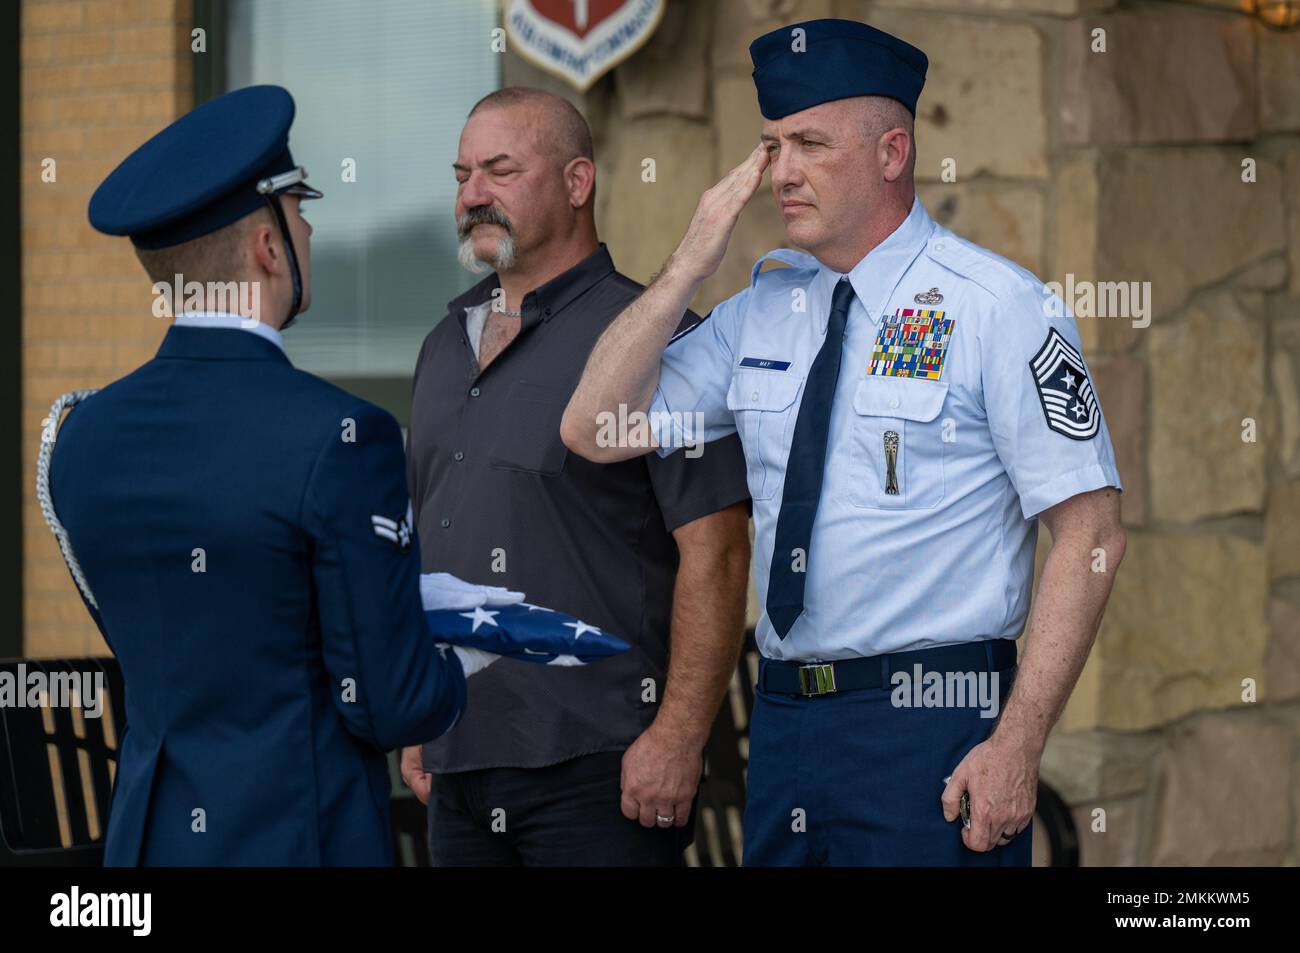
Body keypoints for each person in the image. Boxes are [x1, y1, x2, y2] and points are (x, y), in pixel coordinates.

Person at [561, 19, 1126, 866]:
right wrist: (686, 266)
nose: (780, 173)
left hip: (935, 726)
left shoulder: (997, 306)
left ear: (892, 152)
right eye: (771, 146)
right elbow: (594, 429)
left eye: (809, 145)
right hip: (787, 726)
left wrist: (1018, 744)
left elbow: (1092, 534)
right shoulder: (763, 309)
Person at [44, 85, 470, 865]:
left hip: (145, 847)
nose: (309, 229)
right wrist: (464, 655)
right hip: (296, 836)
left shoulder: (81, 436)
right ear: (267, 248)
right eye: (298, 208)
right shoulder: (342, 437)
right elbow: (389, 702)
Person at [399, 87, 752, 866]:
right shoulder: (440, 344)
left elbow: (718, 551)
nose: (472, 195)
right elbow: (430, 543)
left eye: (500, 170)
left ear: (577, 182)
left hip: (603, 766)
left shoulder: (663, 345)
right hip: (458, 763)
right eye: (462, 175)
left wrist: (681, 735)